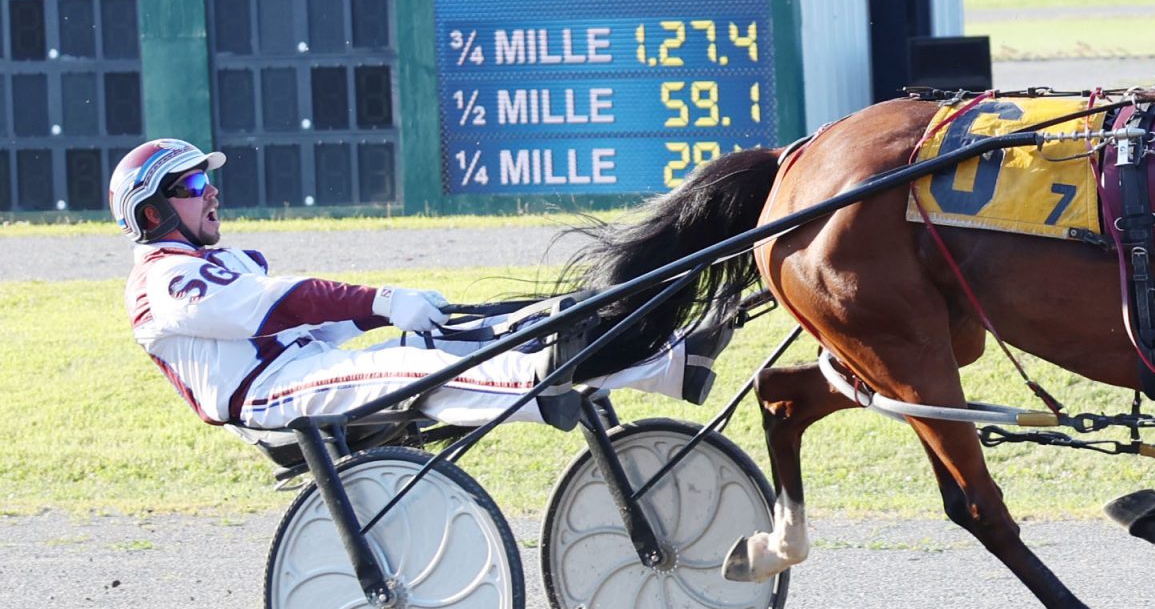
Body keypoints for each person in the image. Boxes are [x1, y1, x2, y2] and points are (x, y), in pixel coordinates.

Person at [111, 138, 730, 443]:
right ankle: (544, 382)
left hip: (306, 368)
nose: (211, 190)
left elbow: (307, 323)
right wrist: (381, 301)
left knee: (467, 331)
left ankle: (669, 363)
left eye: (205, 179)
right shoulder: (159, 281)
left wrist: (391, 313)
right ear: (152, 212)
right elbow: (276, 304)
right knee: (414, 365)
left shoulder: (220, 262)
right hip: (267, 398)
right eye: (191, 183)